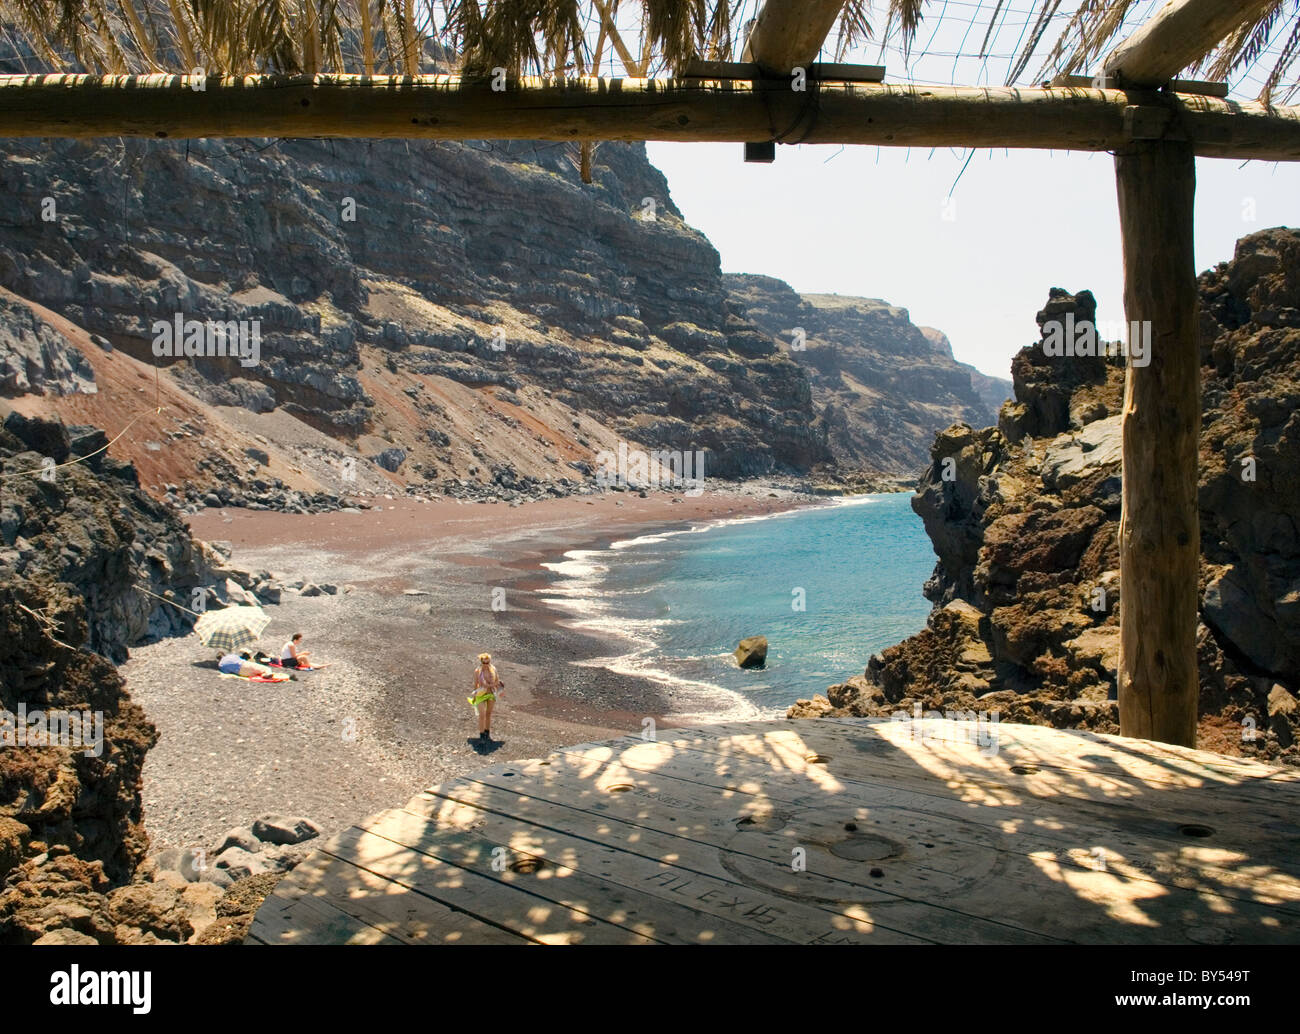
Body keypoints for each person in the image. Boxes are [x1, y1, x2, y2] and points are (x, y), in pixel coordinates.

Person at [468, 653, 503, 743]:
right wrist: (475, 695)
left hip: (491, 693)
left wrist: (490, 685)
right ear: (481, 662)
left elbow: (497, 681)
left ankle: (487, 733)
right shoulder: (477, 671)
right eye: (484, 663)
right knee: (482, 714)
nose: (486, 664)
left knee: (488, 714)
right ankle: (482, 734)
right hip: (481, 693)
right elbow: (475, 684)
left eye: (488, 662)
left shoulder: (493, 669)